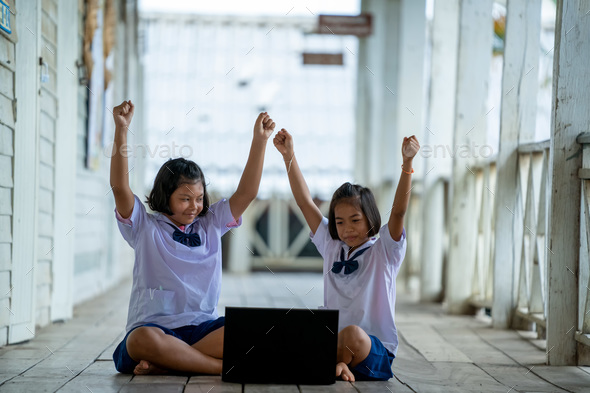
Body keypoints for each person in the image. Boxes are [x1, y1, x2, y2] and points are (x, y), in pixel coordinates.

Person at [110, 100, 275, 375]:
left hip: (202, 331)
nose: (194, 206)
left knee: (251, 330)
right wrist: (121, 130)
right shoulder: (144, 226)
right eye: (185, 199)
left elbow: (246, 193)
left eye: (198, 198)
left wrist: (260, 141)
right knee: (141, 341)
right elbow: (119, 187)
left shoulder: (211, 223)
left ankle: (170, 362)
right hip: (155, 330)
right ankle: (215, 368)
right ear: (166, 196)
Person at [273, 128, 419, 381]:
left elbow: (398, 213)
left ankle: (339, 364)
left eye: (355, 220)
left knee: (353, 334)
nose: (347, 228)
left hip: (372, 351)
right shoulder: (332, 246)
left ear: (370, 218)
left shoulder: (384, 250)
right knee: (292, 325)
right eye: (340, 222)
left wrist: (407, 163)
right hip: (332, 342)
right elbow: (305, 202)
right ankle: (336, 364)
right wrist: (289, 156)